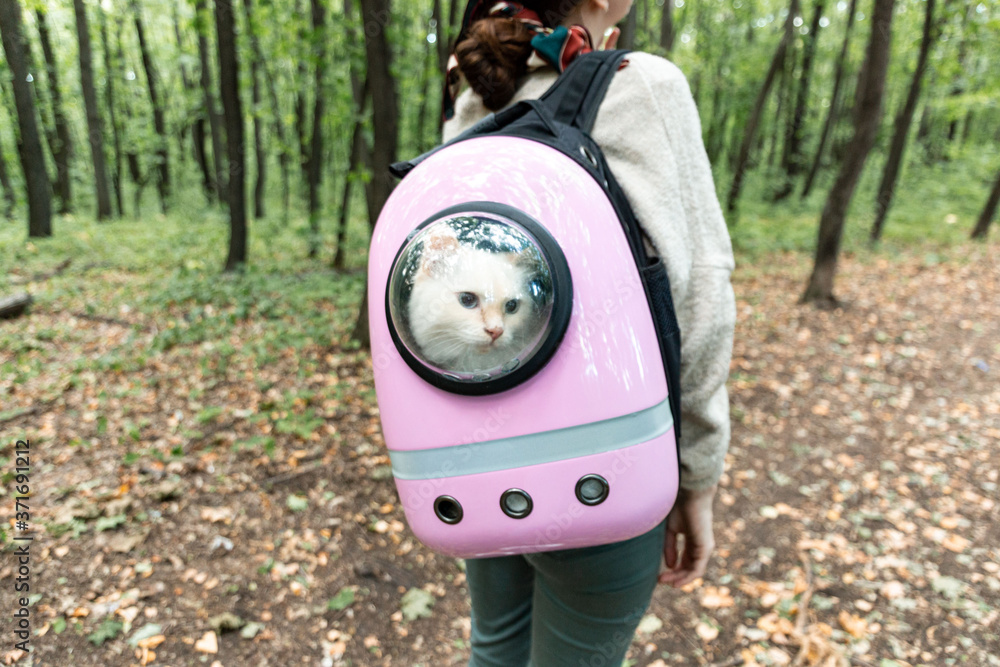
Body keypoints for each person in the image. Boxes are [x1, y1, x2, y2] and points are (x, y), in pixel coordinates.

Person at [442, 1, 737, 665]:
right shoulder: (643, 85)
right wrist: (697, 476)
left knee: (494, 646)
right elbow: (702, 296)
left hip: (477, 456)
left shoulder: (477, 96)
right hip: (605, 466)